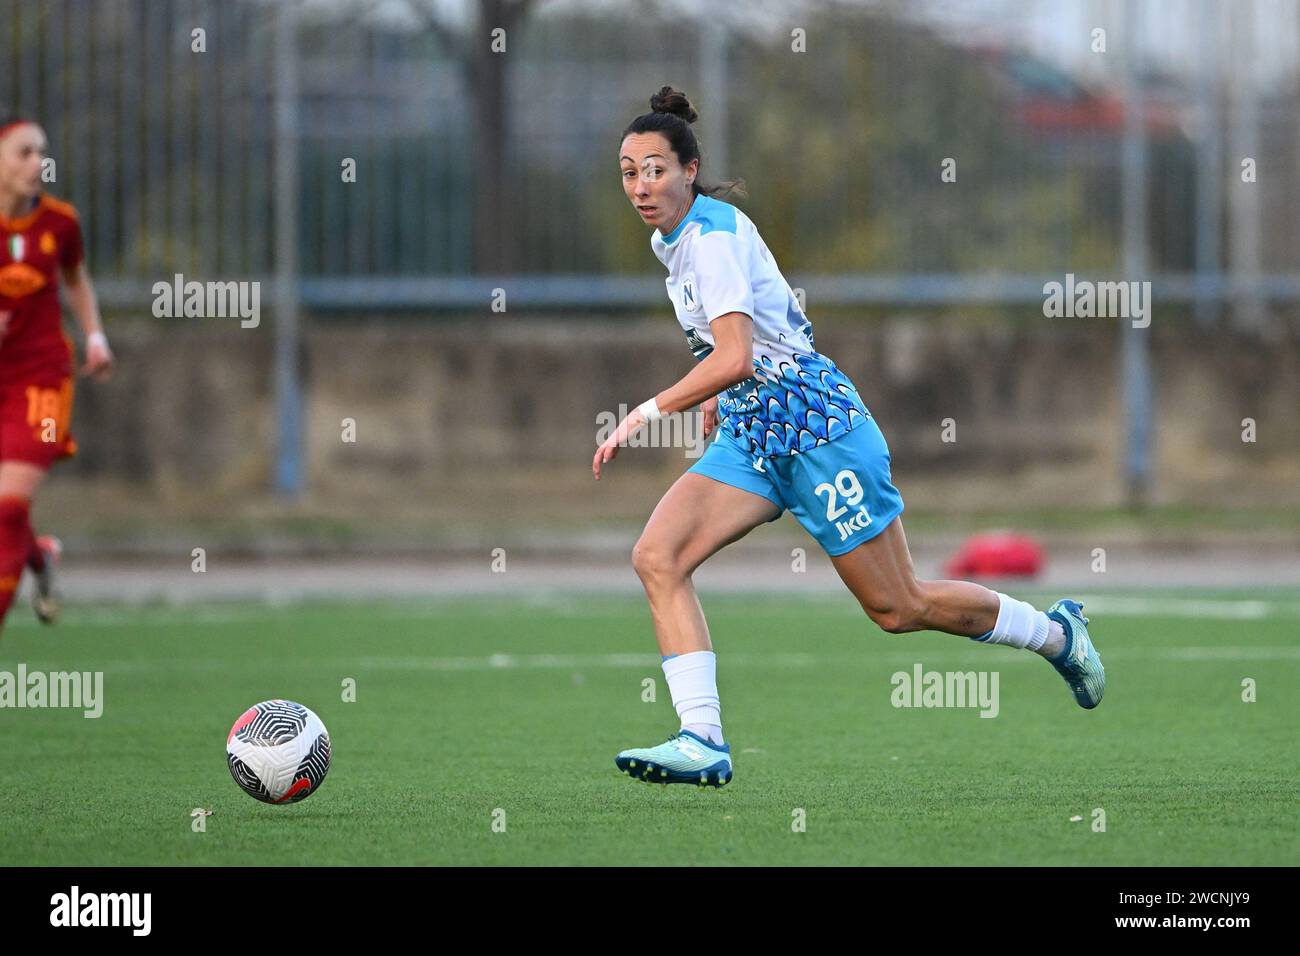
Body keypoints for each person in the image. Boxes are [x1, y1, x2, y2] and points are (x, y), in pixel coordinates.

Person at [593, 87, 1104, 788]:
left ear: (690, 169)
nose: (641, 186)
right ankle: (702, 737)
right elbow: (735, 344)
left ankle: (1056, 634)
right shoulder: (672, 240)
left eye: (655, 169)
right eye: (628, 171)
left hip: (816, 428)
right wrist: (716, 396)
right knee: (658, 556)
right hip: (752, 435)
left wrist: (647, 411)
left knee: (900, 608)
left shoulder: (710, 239)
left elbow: (738, 353)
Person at [0, 115, 113, 636]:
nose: (36, 162)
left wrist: (94, 336)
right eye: (23, 152)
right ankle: (38, 556)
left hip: (41, 380)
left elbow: (76, 279)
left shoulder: (60, 223)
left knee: (8, 503)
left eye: (40, 151)